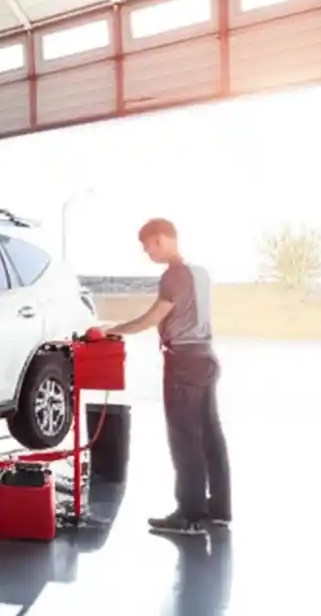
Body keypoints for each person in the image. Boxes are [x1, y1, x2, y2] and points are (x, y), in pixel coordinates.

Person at [93, 218, 231, 536]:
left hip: (183, 361)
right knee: (210, 434)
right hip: (206, 357)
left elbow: (151, 318)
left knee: (184, 438)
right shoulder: (200, 273)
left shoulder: (173, 276)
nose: (147, 253)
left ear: (160, 239)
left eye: (147, 247)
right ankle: (219, 509)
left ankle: (189, 514)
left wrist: (109, 330)